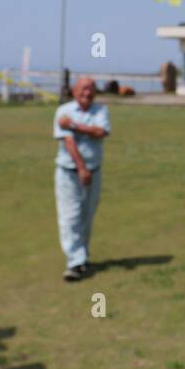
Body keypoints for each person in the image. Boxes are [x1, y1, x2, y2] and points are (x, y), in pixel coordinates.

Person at [52, 77, 111, 282]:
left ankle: (82, 255)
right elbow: (68, 141)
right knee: (70, 217)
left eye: (91, 89)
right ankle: (74, 263)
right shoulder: (63, 111)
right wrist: (81, 168)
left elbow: (101, 132)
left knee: (87, 216)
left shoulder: (100, 111)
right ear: (75, 91)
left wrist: (75, 126)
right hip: (69, 172)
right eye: (84, 89)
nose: (87, 93)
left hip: (94, 171)